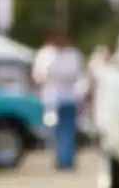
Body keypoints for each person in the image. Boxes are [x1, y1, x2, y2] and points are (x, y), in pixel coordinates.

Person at [32, 32, 85, 170]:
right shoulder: (46, 54)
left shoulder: (72, 54)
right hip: (52, 99)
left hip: (68, 98)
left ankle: (65, 160)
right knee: (53, 130)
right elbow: (40, 76)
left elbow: (76, 75)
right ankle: (60, 158)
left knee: (66, 130)